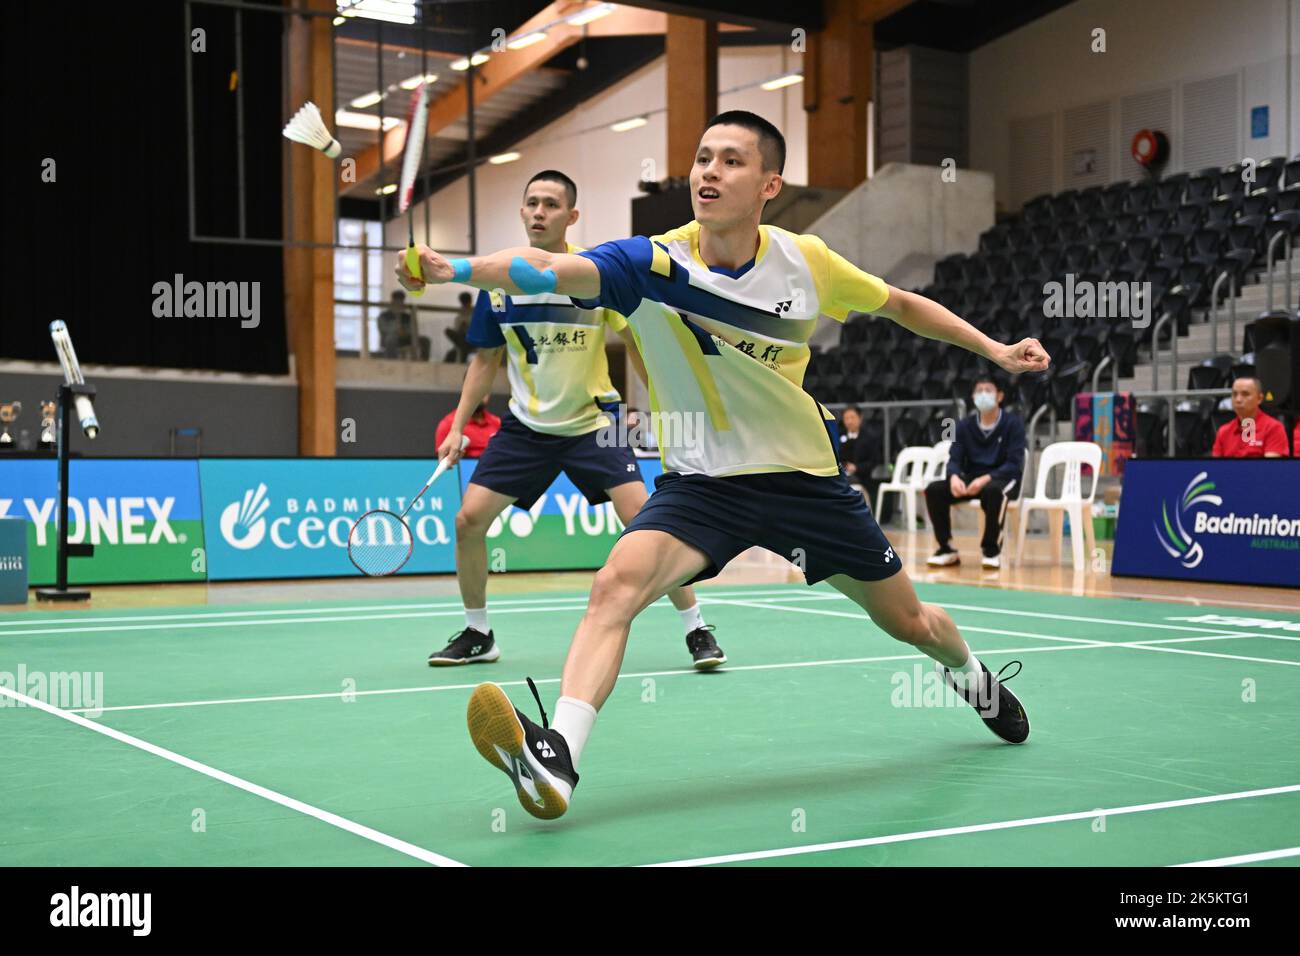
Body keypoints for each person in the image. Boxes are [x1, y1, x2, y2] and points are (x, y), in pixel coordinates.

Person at [397, 111, 1049, 819]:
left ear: (770, 183)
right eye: (702, 158)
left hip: (803, 481)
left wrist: (994, 351)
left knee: (912, 623)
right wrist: (452, 268)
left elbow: (898, 304)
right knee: (614, 585)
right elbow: (547, 267)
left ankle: (974, 679)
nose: (708, 172)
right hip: (704, 485)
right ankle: (558, 758)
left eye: (730, 161)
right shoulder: (650, 264)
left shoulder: (808, 262)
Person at [421, 169, 726, 671]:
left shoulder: (592, 276)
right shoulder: (496, 285)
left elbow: (635, 345)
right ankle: (479, 632)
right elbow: (484, 360)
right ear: (522, 212)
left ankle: (696, 629)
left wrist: (666, 407)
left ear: (571, 216)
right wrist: (458, 425)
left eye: (551, 204)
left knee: (648, 521)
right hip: (526, 427)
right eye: (532, 203)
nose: (539, 212)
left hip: (594, 424)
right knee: (468, 521)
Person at [924, 377, 1026, 569]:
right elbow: (954, 458)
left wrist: (986, 479)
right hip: (972, 478)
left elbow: (1014, 463)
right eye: (979, 390)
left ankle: (991, 551)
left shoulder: (1014, 424)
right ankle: (946, 549)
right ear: (973, 396)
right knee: (934, 490)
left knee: (994, 492)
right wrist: (954, 477)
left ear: (1000, 396)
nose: (983, 394)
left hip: (1003, 478)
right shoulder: (962, 426)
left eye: (988, 390)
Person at [1210, 377, 1289, 458]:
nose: (1238, 399)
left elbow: (1270, 467)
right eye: (1234, 394)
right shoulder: (1223, 432)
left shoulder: (1273, 428)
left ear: (1259, 398)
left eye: (1245, 394)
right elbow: (1216, 467)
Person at [376, 290, 415, 359]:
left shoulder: (407, 317)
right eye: (397, 301)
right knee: (391, 338)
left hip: (404, 339)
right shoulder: (384, 316)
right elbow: (383, 329)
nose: (399, 304)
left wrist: (405, 332)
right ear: (392, 302)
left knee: (424, 340)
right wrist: (397, 319)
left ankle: (420, 361)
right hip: (389, 339)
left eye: (401, 301)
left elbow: (412, 330)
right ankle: (391, 361)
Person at [445, 291, 474, 363]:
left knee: (460, 346)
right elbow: (457, 329)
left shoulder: (476, 312)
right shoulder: (460, 315)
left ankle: (461, 355)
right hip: (463, 339)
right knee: (449, 331)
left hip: (472, 339)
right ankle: (461, 350)